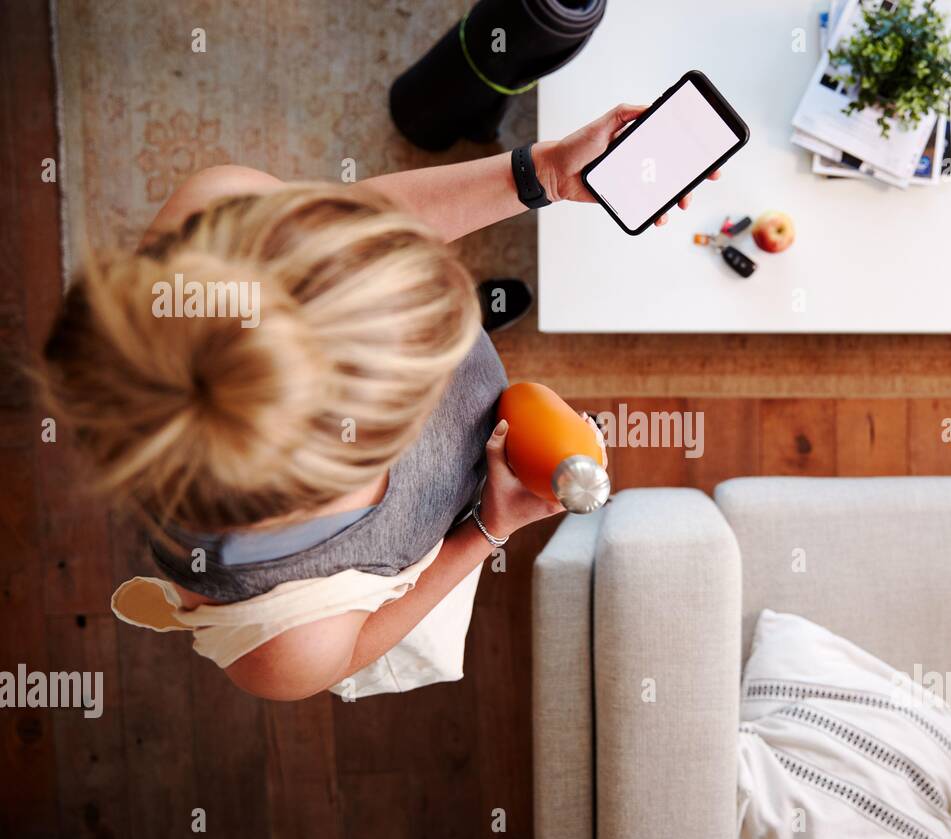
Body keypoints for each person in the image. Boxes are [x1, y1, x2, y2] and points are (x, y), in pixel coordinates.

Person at [37, 104, 718, 701]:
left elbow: (355, 228)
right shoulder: (285, 644)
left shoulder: (218, 211)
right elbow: (359, 643)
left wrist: (542, 172)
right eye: (429, 382)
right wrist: (487, 528)